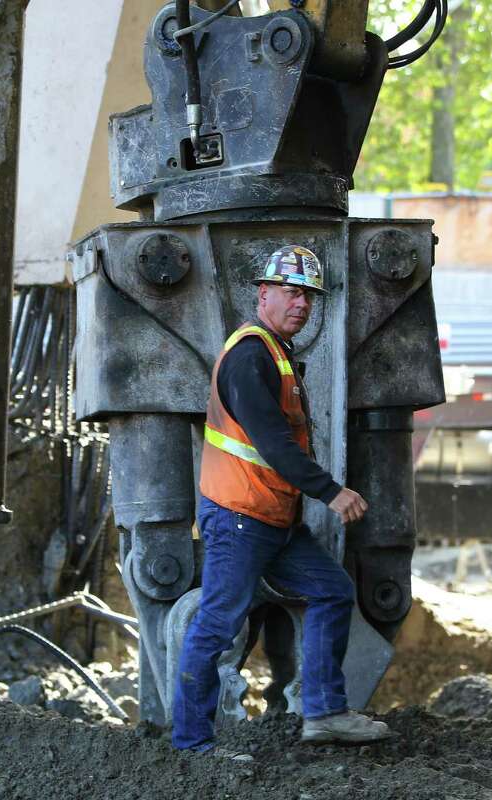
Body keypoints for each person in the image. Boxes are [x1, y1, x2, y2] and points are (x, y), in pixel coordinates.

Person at [172, 244, 392, 753]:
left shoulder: (277, 354)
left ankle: (324, 713)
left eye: (308, 297)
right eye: (291, 293)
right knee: (219, 624)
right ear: (263, 293)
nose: (301, 305)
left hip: (271, 520)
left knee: (333, 590)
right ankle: (191, 744)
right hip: (239, 517)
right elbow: (272, 443)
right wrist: (331, 493)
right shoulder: (250, 355)